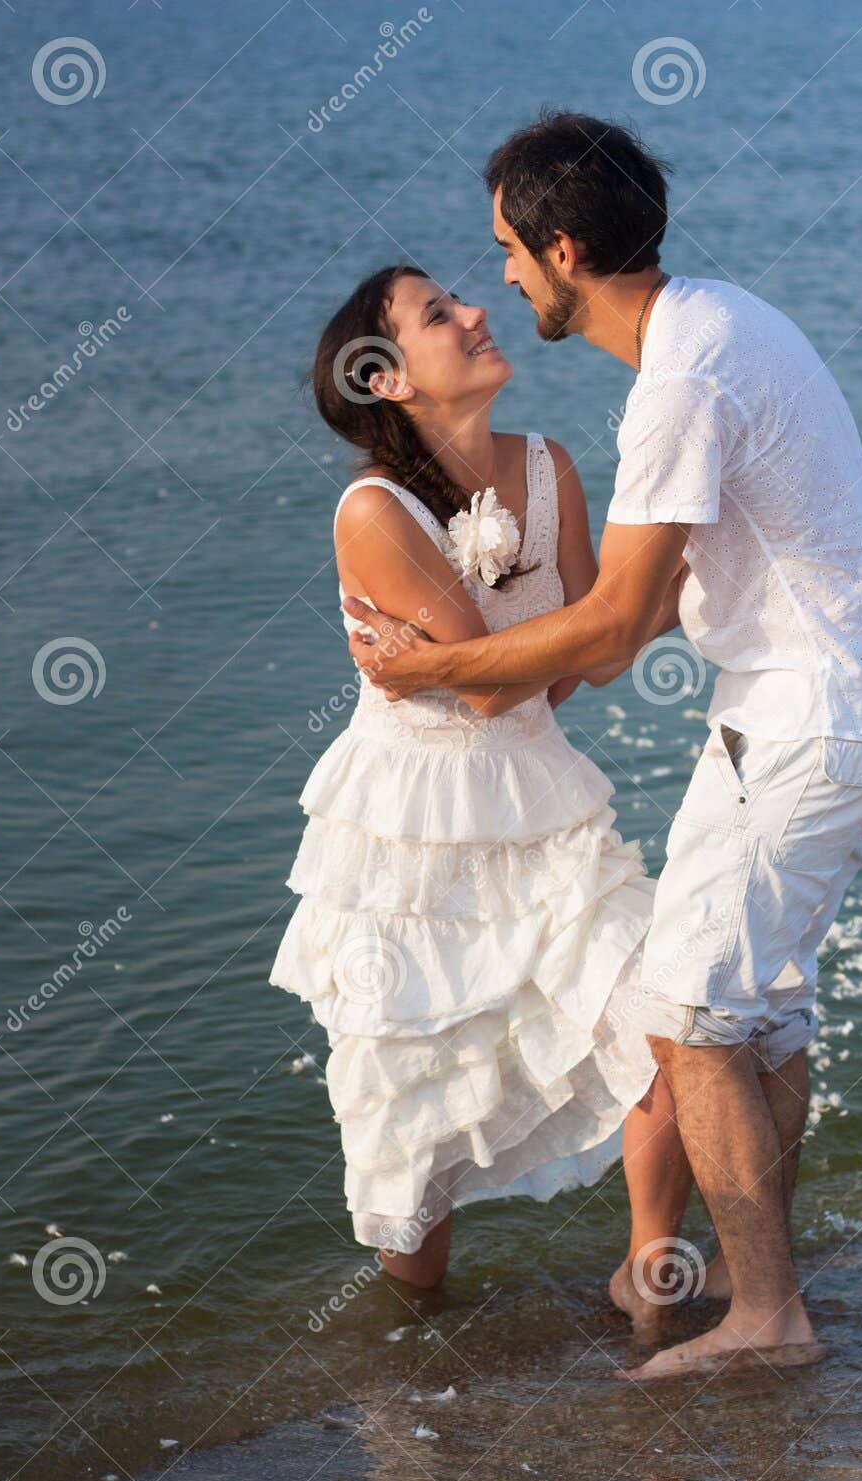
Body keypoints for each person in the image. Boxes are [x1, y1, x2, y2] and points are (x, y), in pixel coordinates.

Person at [344, 114, 862, 1378]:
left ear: (563, 249)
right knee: (756, 1013)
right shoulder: (715, 322)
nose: (501, 277)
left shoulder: (679, 381)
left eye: (508, 250)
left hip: (812, 712)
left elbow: (612, 620)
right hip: (803, 705)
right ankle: (734, 1271)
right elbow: (629, 626)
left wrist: (429, 669)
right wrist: (552, 659)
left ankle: (765, 1319)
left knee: (689, 1015)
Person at [270, 263, 692, 1305]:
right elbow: (497, 692)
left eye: (461, 297)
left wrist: (682, 585)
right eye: (436, 315)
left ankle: (650, 1272)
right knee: (412, 1114)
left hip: (541, 804)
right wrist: (612, 621)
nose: (475, 313)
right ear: (386, 378)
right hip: (406, 834)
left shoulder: (547, 467)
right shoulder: (370, 513)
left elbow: (584, 658)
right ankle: (411, 1341)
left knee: (661, 1021)